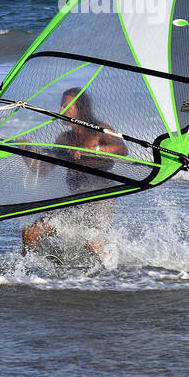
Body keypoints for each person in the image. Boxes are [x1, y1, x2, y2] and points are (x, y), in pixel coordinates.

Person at [22, 87, 126, 260]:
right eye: (61, 106)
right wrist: (26, 153)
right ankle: (30, 272)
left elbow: (122, 149)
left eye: (67, 107)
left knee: (92, 242)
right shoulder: (64, 139)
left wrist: (94, 149)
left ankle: (111, 277)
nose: (62, 111)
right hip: (75, 199)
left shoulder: (100, 129)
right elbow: (43, 170)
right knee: (30, 233)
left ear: (81, 109)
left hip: (100, 195)